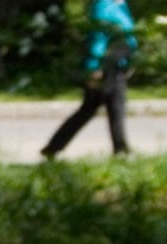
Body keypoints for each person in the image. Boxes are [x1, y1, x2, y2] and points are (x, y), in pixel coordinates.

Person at [40, 0, 137, 160]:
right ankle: (121, 151)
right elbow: (97, 36)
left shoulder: (120, 4)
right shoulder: (103, 4)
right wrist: (93, 67)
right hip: (105, 65)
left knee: (113, 107)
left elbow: (129, 35)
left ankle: (120, 150)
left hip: (117, 64)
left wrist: (129, 62)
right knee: (95, 109)